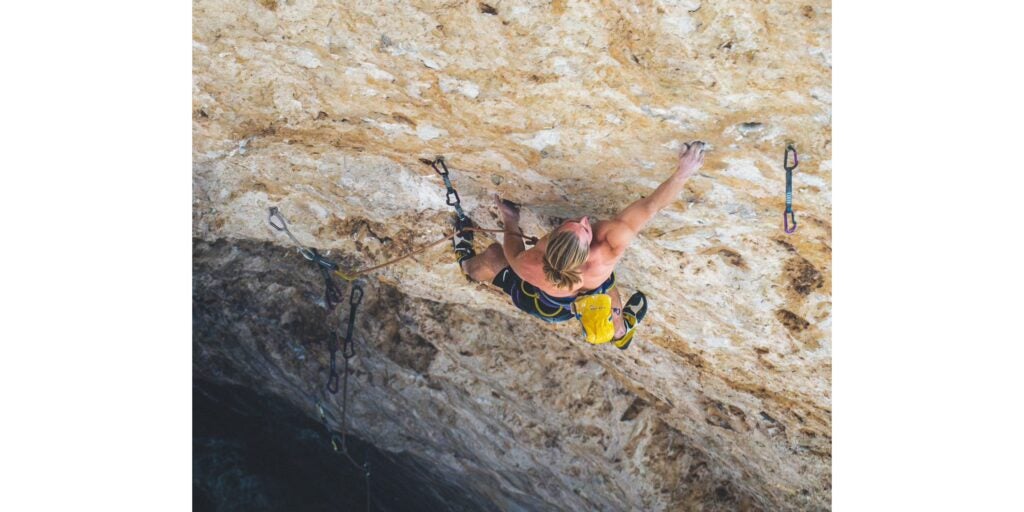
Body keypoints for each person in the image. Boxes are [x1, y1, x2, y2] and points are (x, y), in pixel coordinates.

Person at [452, 141, 707, 349]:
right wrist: (684, 173)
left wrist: (511, 219)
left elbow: (512, 245)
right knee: (605, 298)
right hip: (566, 299)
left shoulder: (530, 264)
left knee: (496, 256)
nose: (584, 220)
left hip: (562, 296)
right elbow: (651, 207)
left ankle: (619, 331)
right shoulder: (605, 252)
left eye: (579, 225)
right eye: (582, 226)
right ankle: (620, 332)